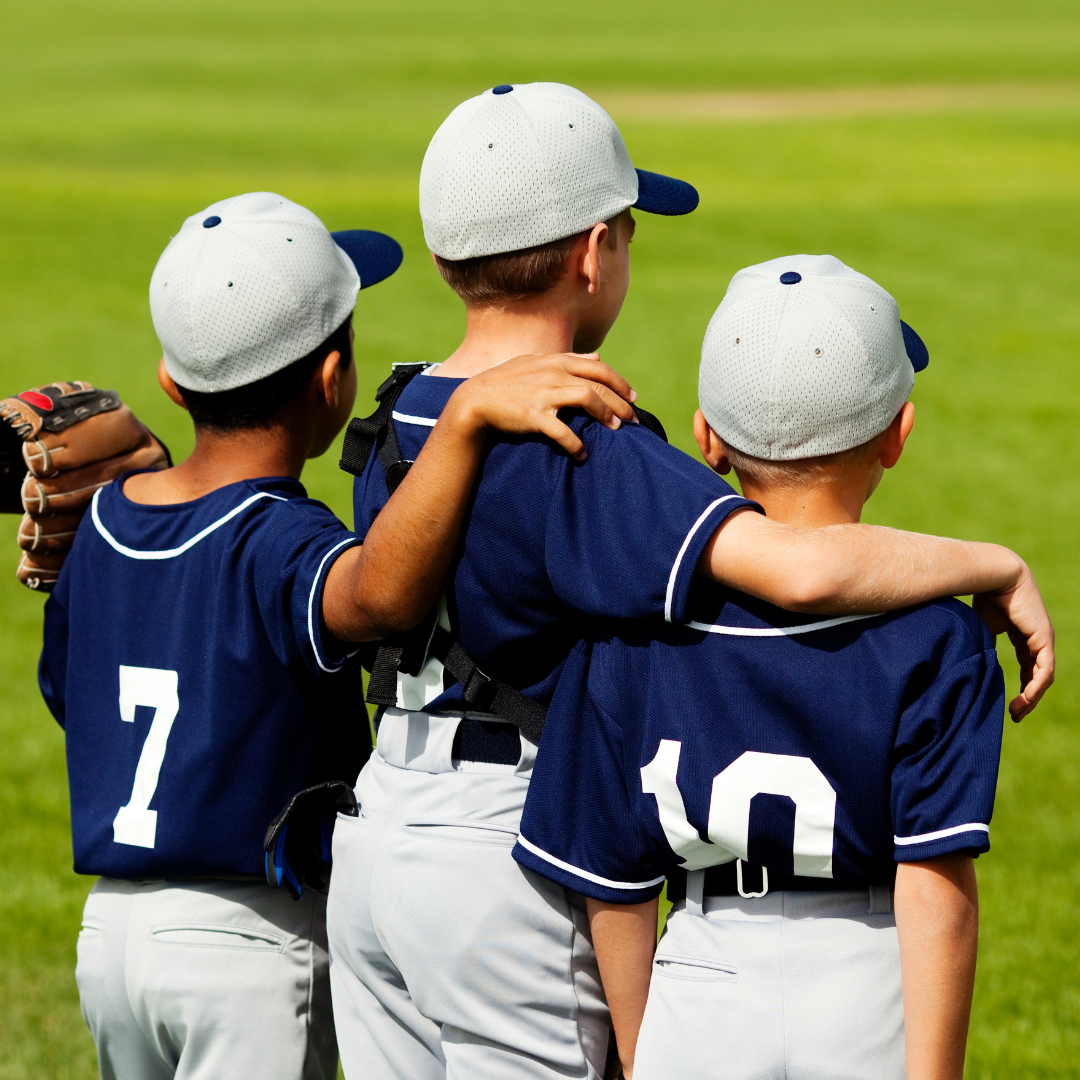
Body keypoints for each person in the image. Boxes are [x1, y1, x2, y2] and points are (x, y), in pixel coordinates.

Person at [328, 84, 1051, 1080]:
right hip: (504, 852)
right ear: (592, 252)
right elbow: (796, 568)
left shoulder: (402, 413)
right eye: (625, 233)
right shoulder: (590, 446)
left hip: (376, 837)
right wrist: (995, 563)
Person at [36, 190, 638, 1080]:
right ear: (334, 379)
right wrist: (465, 420)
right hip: (249, 948)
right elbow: (378, 598)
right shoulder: (284, 537)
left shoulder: (106, 528)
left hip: (113, 941)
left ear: (171, 382)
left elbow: (68, 693)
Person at [515, 254, 1006, 1080]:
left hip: (704, 972)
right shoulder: (939, 634)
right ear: (897, 434)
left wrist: (641, 1054)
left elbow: (616, 885)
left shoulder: (635, 625)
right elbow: (935, 888)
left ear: (706, 439)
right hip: (865, 977)